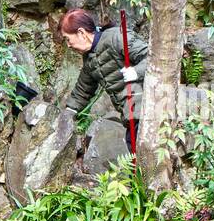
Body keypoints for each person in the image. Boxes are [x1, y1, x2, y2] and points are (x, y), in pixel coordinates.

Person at [59, 9, 148, 147]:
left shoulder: (117, 37)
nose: (68, 45)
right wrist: (69, 112)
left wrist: (136, 72)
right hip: (130, 114)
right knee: (133, 150)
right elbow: (83, 88)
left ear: (81, 33)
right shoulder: (89, 58)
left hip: (147, 109)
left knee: (140, 152)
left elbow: (152, 58)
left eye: (68, 39)